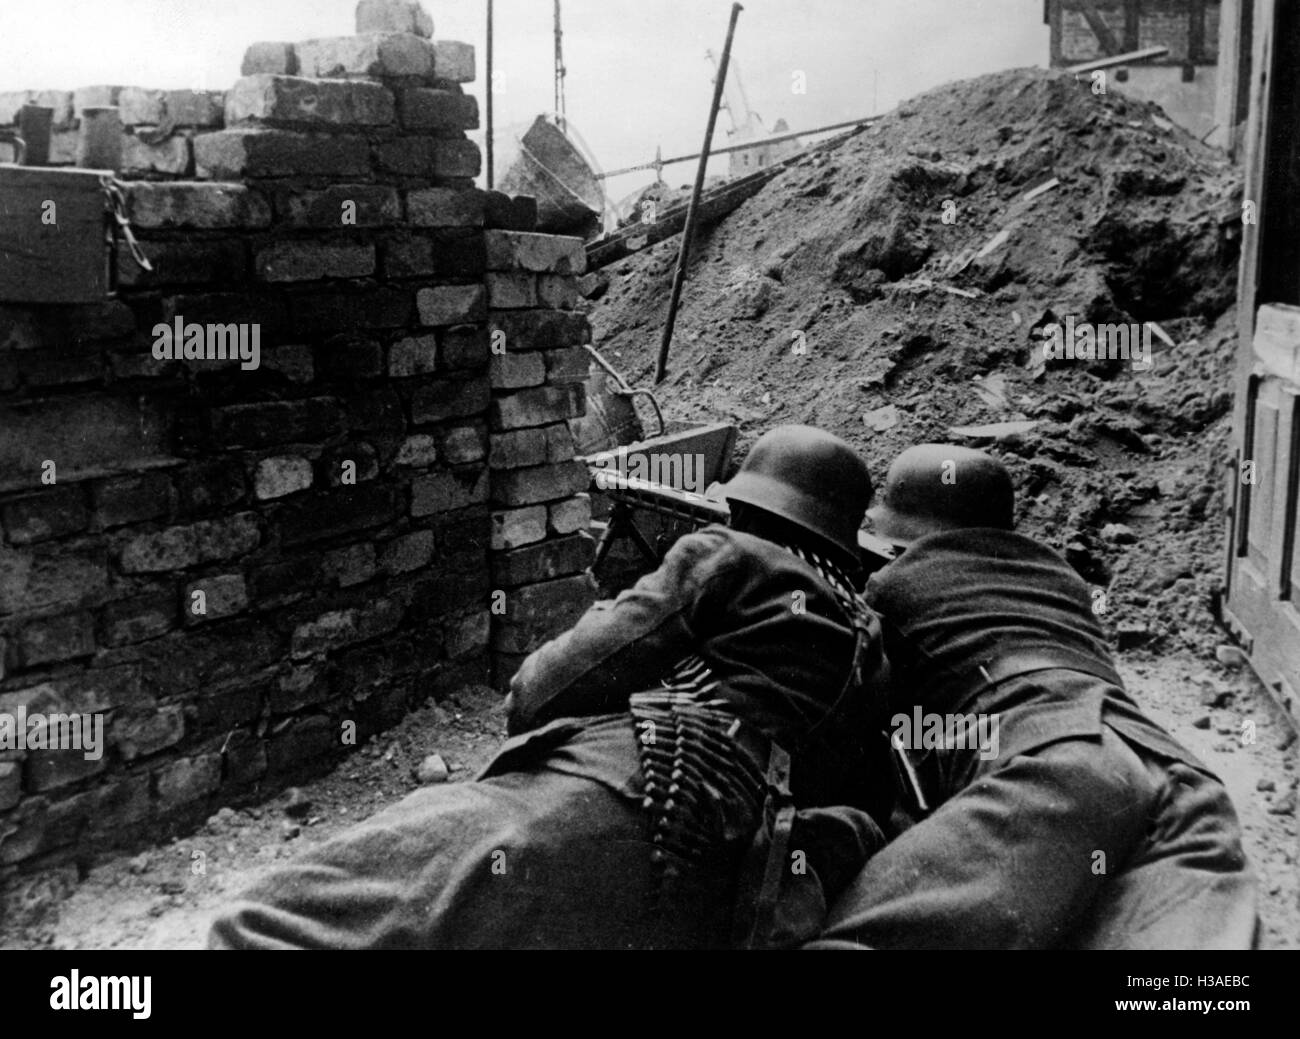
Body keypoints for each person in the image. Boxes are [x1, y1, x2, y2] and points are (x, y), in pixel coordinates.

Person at [209, 425, 895, 950]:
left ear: (745, 504)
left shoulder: (727, 556)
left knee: (271, 917)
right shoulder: (868, 644)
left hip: (608, 807)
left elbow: (536, 693)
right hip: (721, 885)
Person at [805, 444, 1259, 950]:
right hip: (1171, 770)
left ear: (897, 533)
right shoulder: (1060, 580)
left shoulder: (893, 585)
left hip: (1056, 764)